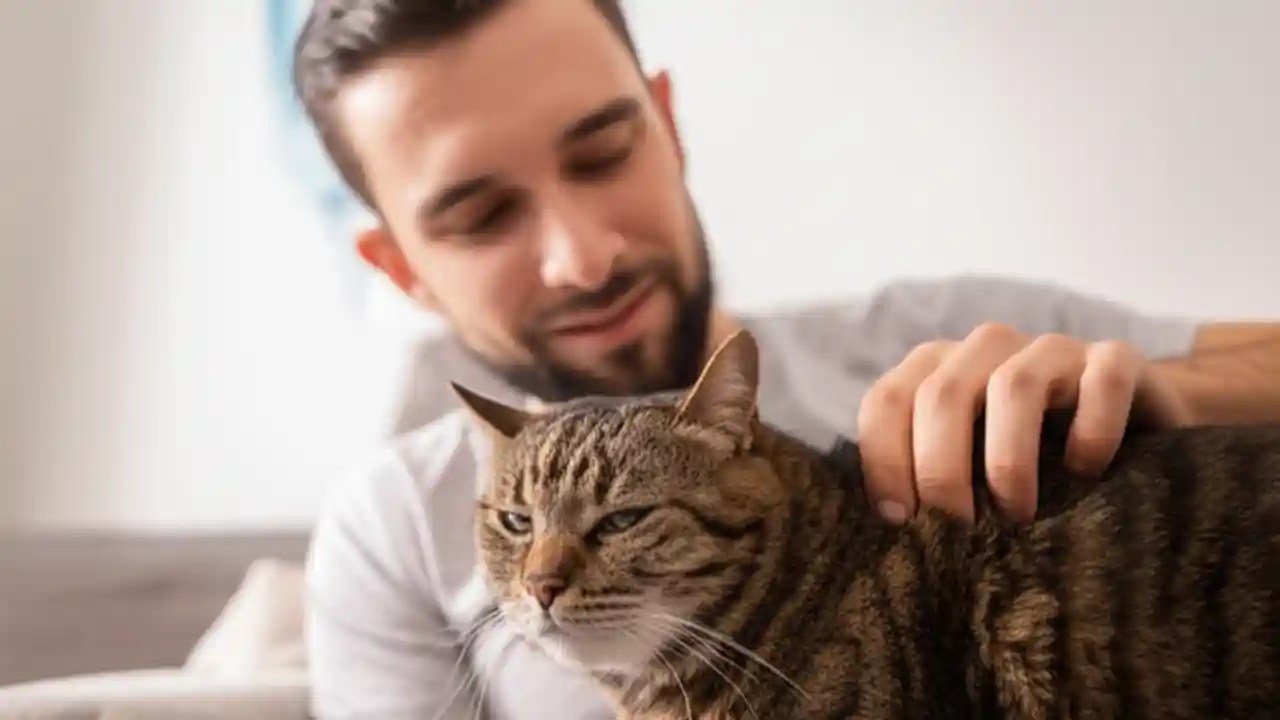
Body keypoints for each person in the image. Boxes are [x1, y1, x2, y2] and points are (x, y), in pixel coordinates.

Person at [290, 1, 1280, 717]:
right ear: (398, 266)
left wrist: (1166, 391)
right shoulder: (391, 529)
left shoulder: (957, 335)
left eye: (602, 154)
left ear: (668, 124)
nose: (582, 257)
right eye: (481, 217)